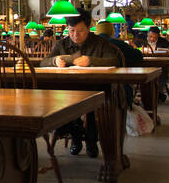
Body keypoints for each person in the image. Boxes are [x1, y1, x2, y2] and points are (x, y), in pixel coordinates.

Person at [39, 11, 122, 156]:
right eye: (71, 31)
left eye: (80, 31)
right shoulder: (62, 43)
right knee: (57, 105)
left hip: (95, 88)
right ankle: (76, 134)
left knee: (93, 106)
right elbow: (43, 62)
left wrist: (91, 61)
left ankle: (90, 140)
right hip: (68, 90)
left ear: (89, 28)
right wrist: (55, 61)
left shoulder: (100, 43)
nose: (75, 35)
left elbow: (114, 60)